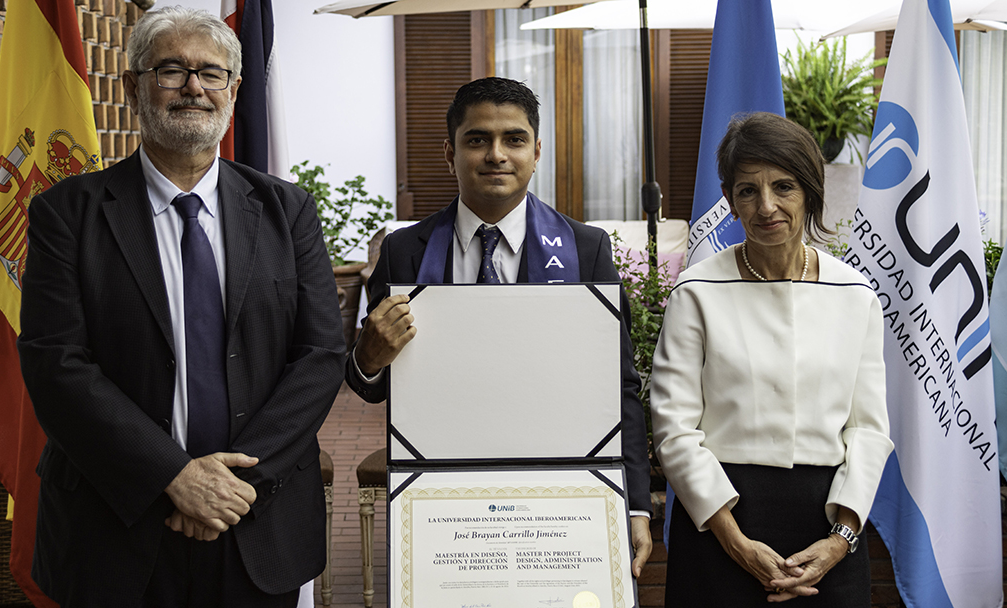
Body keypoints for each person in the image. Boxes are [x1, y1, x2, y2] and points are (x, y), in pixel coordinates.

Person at [16, 6, 346, 607]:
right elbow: (54, 362)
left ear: (234, 89)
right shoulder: (67, 212)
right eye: (170, 69)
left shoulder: (286, 210)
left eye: (211, 73)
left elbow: (321, 353)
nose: (194, 86)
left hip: (256, 513)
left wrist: (228, 484)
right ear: (133, 86)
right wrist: (172, 475)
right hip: (115, 519)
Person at [344, 76, 653, 577]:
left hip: (557, 488)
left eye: (513, 139)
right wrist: (368, 357)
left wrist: (634, 503)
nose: (496, 155)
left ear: (536, 151)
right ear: (450, 153)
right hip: (443, 495)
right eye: (476, 140)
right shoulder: (405, 252)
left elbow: (619, 388)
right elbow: (368, 385)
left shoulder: (585, 248)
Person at [650, 112, 893, 606]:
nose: (766, 207)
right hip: (719, 520)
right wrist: (735, 543)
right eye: (747, 191)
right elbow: (673, 429)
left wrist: (839, 541)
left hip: (827, 527)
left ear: (809, 190)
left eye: (783, 187)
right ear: (729, 200)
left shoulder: (854, 293)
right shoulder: (696, 292)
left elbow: (868, 429)